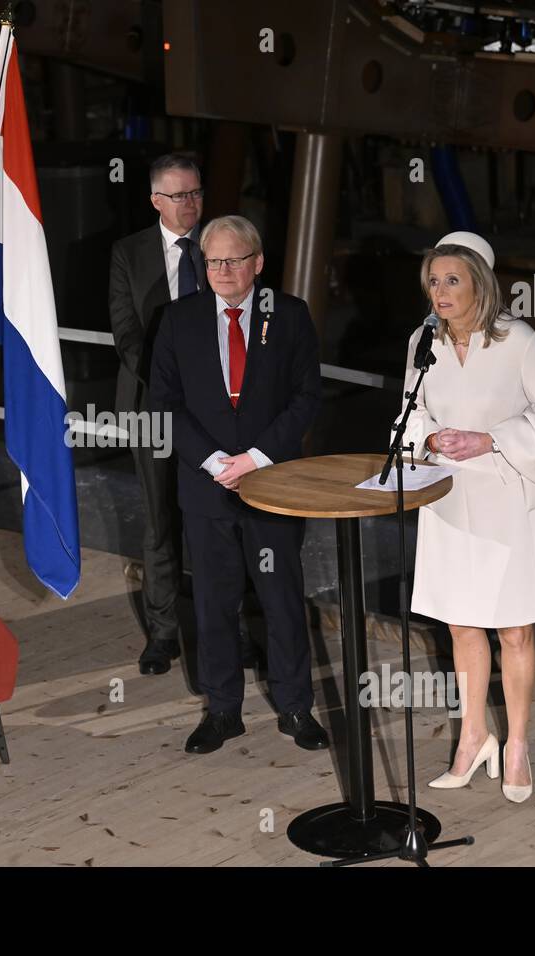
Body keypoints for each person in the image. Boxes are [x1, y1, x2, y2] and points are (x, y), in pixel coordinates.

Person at [394, 230, 535, 802]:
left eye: (451, 280)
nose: (440, 291)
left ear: (479, 283)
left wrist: (488, 439)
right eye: (433, 281)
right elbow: (410, 412)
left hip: (503, 496)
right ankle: (473, 739)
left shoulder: (518, 340)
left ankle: (516, 744)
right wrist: (429, 438)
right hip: (446, 496)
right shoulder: (424, 341)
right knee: (461, 625)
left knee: (514, 629)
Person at [149, 215, 327, 753]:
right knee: (212, 602)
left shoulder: (289, 316)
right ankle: (222, 710)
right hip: (206, 488)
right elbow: (162, 403)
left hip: (272, 483)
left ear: (257, 264)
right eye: (213, 261)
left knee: (281, 599)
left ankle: (296, 708)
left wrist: (254, 458)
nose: (222, 271)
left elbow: (306, 398)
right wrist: (212, 461)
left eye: (233, 260)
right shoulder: (177, 319)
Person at [107, 154, 206, 675]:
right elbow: (126, 334)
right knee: (161, 522)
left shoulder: (222, 246)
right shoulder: (129, 253)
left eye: (195, 193)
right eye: (178, 196)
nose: (189, 204)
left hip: (217, 413)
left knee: (216, 524)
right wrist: (173, 380)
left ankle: (225, 629)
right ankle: (163, 633)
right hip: (153, 407)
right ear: (155, 201)